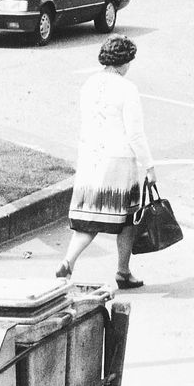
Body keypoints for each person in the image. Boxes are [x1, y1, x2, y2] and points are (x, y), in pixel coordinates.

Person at [57, 36, 156, 290]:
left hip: (91, 160)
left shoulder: (89, 84)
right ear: (124, 62)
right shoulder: (127, 88)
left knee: (89, 218)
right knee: (127, 219)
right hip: (119, 163)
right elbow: (135, 134)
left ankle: (68, 262)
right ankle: (123, 271)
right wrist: (149, 166)